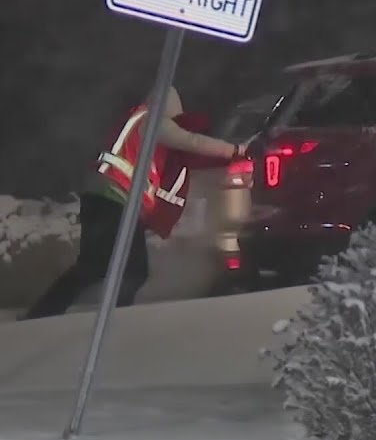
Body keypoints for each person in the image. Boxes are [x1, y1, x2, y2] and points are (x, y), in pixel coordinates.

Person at [22, 86, 242, 319]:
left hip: (97, 196)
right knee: (135, 271)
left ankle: (42, 313)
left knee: (91, 266)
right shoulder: (156, 122)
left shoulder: (136, 119)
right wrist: (236, 150)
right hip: (117, 201)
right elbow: (194, 142)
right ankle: (117, 319)